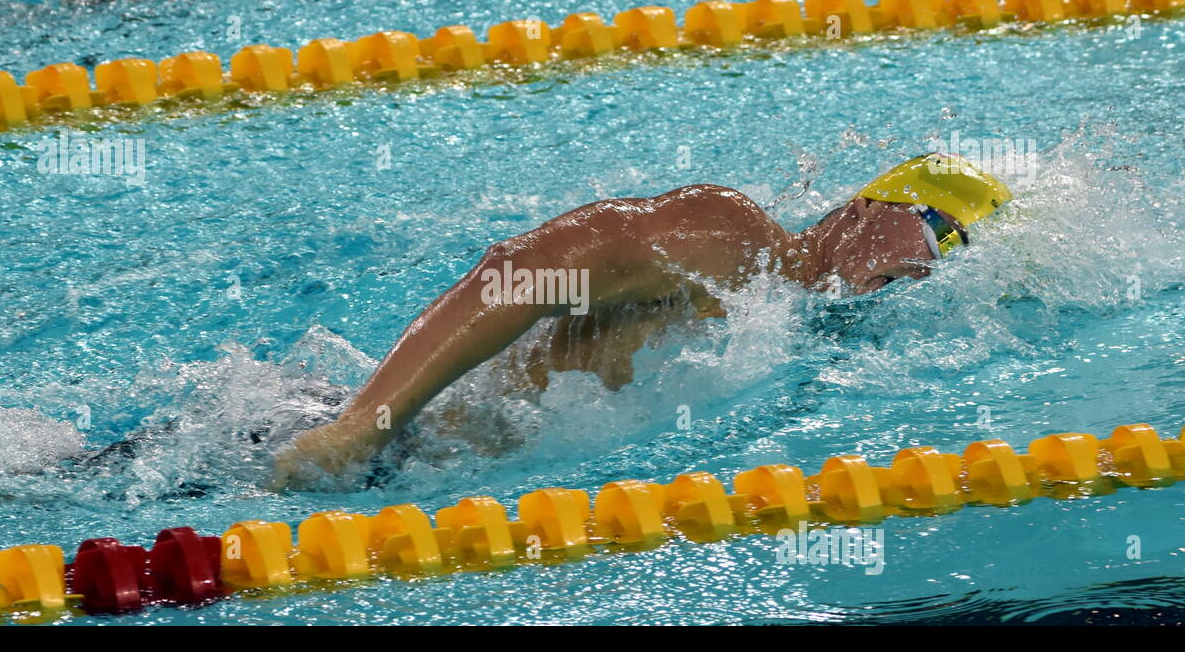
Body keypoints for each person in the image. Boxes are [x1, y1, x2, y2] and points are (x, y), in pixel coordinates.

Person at [273, 153, 1012, 488]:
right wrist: (361, 426)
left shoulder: (806, 332)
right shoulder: (737, 238)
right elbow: (521, 270)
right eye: (938, 228)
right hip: (354, 445)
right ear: (866, 207)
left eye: (961, 250)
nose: (936, 261)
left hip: (419, 486)